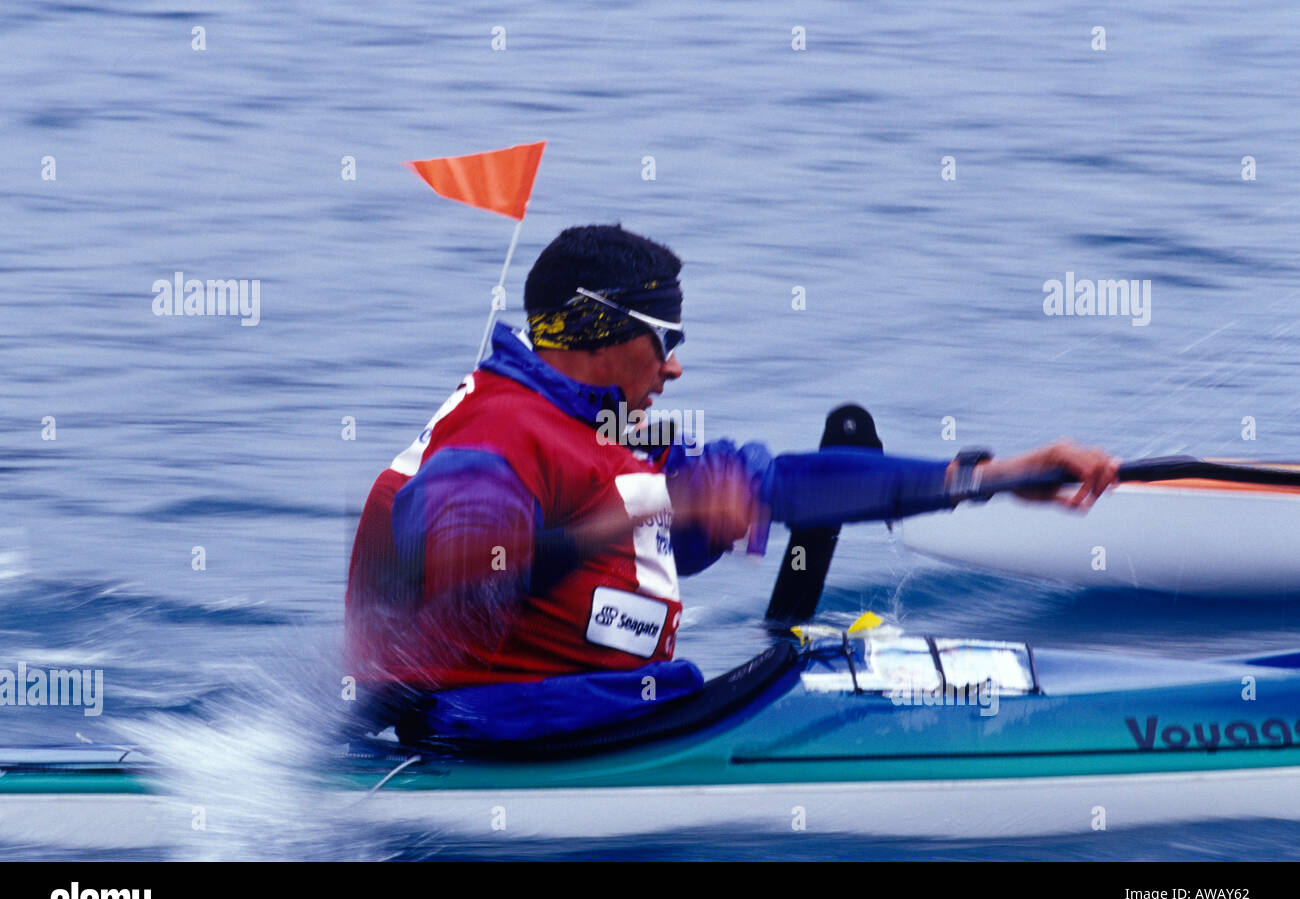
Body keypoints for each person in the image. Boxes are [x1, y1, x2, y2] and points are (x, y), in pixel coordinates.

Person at [344, 224, 1119, 741]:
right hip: (523, 736)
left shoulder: (601, 423)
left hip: (613, 716)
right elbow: (459, 564)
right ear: (601, 333)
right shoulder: (497, 434)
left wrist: (989, 477)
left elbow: (782, 486)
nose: (675, 366)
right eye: (666, 339)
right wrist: (634, 521)